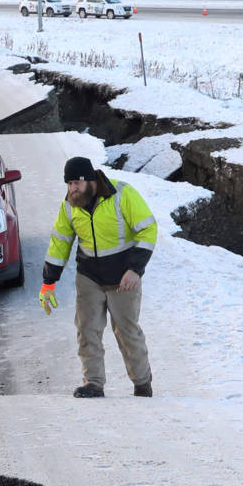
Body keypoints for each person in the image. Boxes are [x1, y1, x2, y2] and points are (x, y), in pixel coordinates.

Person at [37, 156, 159, 398]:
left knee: (126, 332)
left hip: (124, 276)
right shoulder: (70, 206)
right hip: (89, 277)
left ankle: (142, 383)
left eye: (76, 183)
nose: (72, 189)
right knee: (87, 329)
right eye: (68, 184)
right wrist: (48, 281)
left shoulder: (122, 194)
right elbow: (59, 242)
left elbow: (148, 228)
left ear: (90, 180)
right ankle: (93, 383)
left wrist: (135, 269)